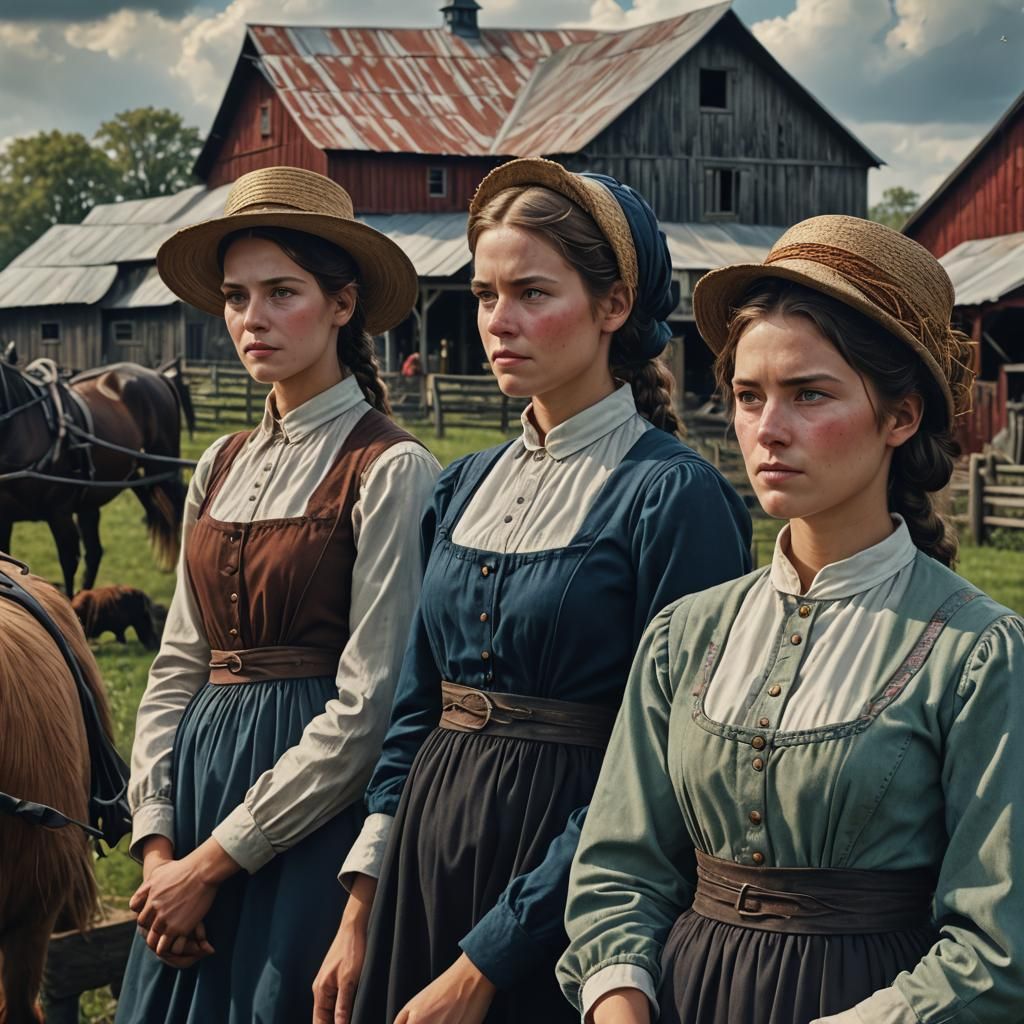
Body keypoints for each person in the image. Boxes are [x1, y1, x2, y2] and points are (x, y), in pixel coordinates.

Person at [312, 157, 753, 1024]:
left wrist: (489, 961)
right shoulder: (462, 485)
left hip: (568, 888)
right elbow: (415, 709)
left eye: (532, 293)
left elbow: (665, 770)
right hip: (423, 863)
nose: (497, 321)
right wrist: (363, 905)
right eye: (485, 295)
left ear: (614, 305)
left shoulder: (675, 497)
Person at [558, 214, 1024, 1023]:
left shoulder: (977, 653)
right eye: (749, 396)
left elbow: (998, 949)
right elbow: (620, 872)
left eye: (809, 394)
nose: (767, 429)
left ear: (900, 416)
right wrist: (621, 999)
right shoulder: (683, 636)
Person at [114, 166, 441, 1023]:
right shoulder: (219, 463)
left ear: (342, 305)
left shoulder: (391, 468)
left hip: (305, 818)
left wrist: (217, 861)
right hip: (195, 799)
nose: (251, 318)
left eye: (281, 292)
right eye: (236, 296)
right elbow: (175, 665)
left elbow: (371, 708)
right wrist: (158, 847)